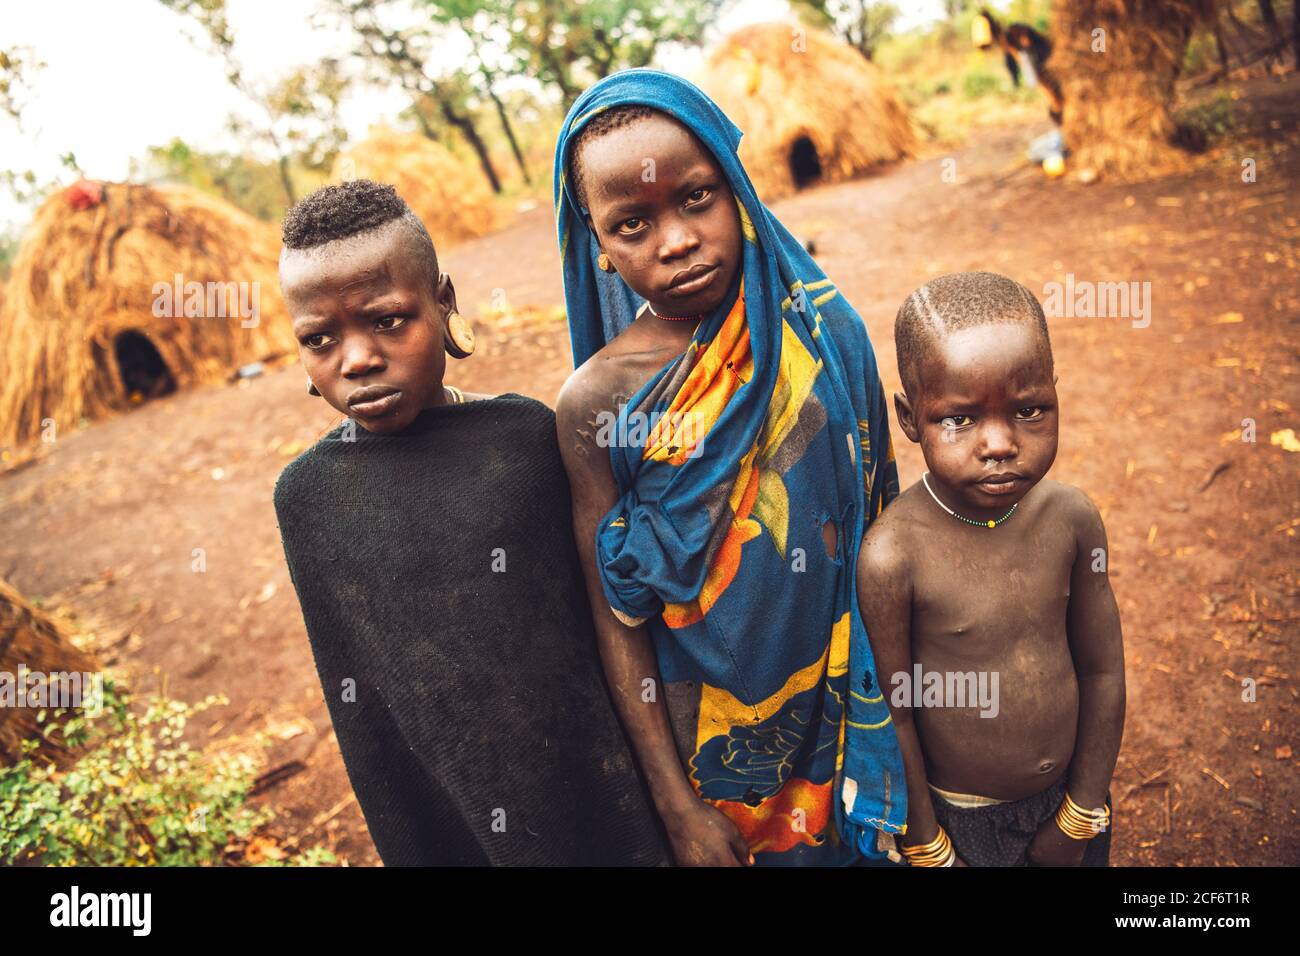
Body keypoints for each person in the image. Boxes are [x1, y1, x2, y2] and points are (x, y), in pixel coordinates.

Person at [552, 71, 907, 866]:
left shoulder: (819, 330)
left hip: (850, 700)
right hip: (710, 739)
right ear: (599, 247)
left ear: (737, 189)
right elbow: (617, 619)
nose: (674, 240)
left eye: (697, 198)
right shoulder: (596, 403)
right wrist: (675, 807)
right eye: (632, 223)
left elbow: (883, 522)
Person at [272, 179, 668, 866]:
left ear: (444, 302)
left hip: (592, 790)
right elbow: (365, 719)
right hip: (450, 822)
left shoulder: (523, 441)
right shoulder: (306, 497)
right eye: (320, 338)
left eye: (388, 319)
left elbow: (605, 626)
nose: (358, 358)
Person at [851, 271, 1125, 866]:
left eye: (1029, 410)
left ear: (1056, 395)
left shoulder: (1071, 520)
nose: (1000, 442)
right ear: (908, 417)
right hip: (960, 823)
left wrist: (1080, 815)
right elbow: (893, 715)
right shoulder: (892, 556)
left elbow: (1103, 673)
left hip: (1073, 801)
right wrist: (928, 844)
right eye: (959, 419)